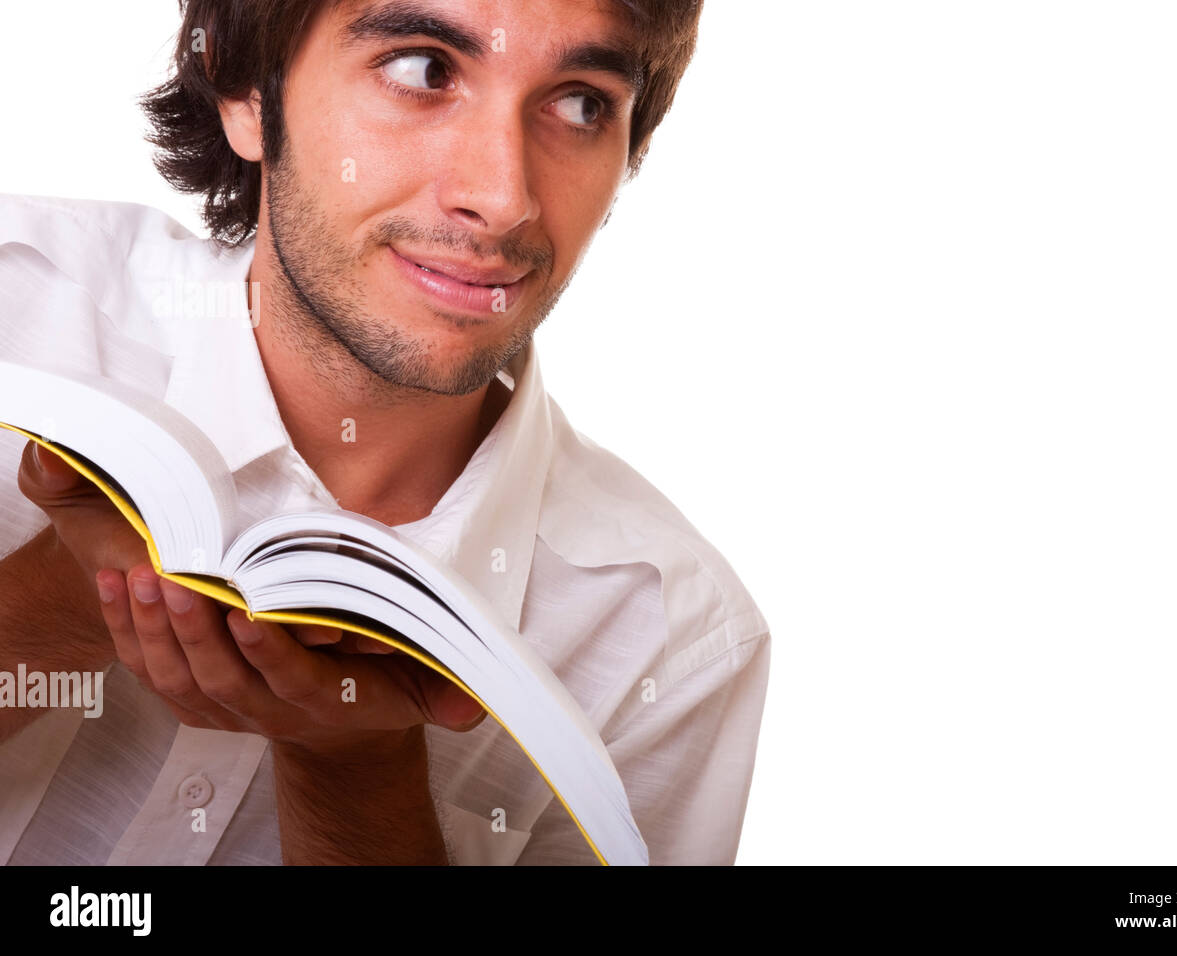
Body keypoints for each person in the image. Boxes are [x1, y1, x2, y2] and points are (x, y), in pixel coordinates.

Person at [0, 0, 769, 865]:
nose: (503, 199)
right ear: (248, 91)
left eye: (581, 103)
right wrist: (60, 603)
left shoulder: (670, 638)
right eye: (422, 70)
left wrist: (353, 768)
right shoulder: (16, 304)